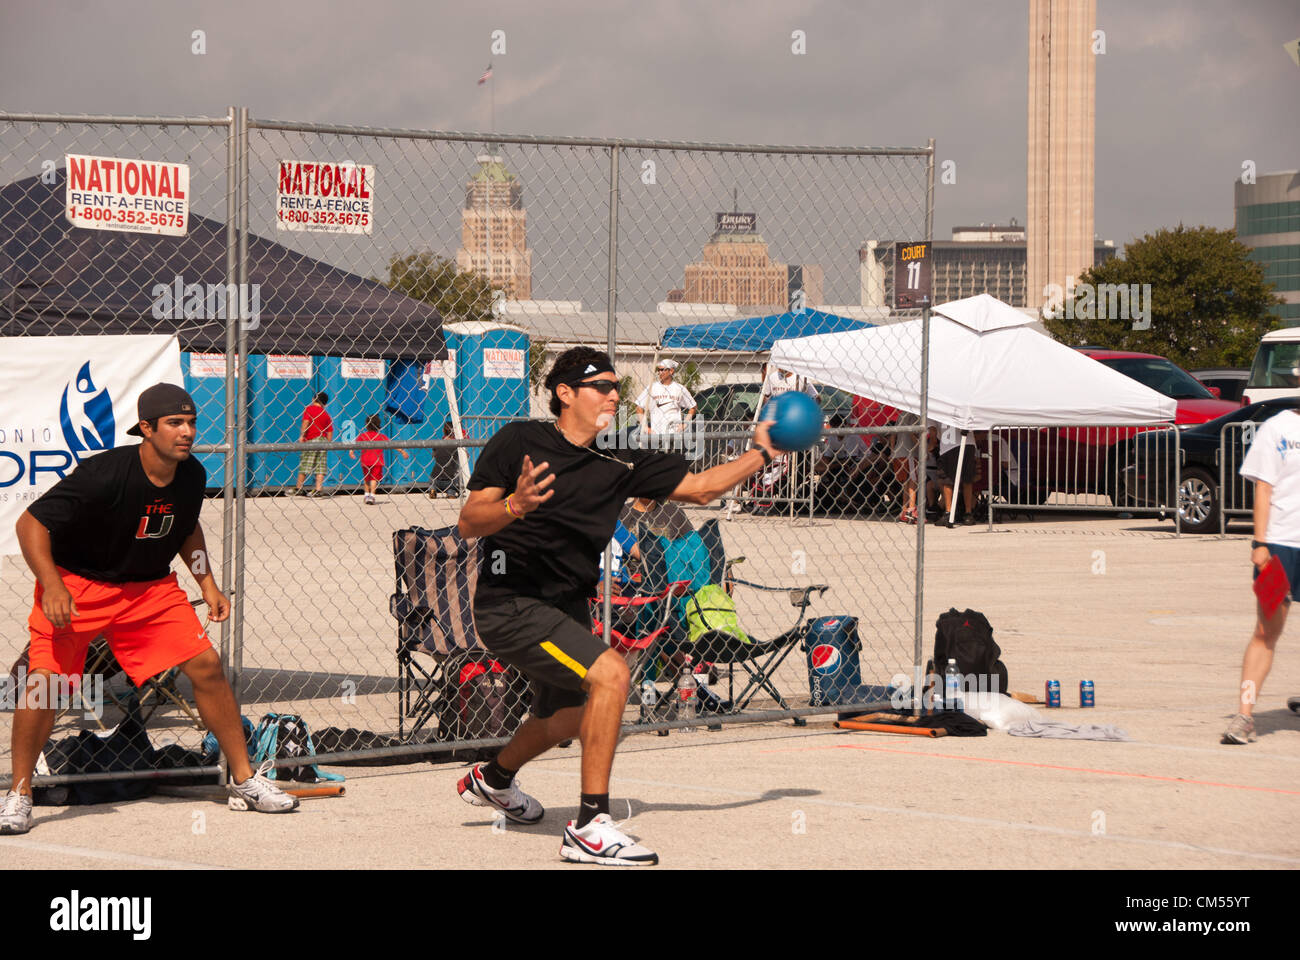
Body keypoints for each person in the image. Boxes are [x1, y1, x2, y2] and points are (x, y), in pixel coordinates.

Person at [455, 346, 781, 865]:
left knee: (568, 720)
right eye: (601, 385)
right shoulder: (521, 440)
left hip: (566, 607)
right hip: (510, 601)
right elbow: (469, 521)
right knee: (612, 676)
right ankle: (588, 825)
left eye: (615, 386)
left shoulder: (621, 455)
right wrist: (516, 504)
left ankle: (493, 778)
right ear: (565, 394)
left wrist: (762, 452)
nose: (613, 394)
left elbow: (699, 490)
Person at [1, 384, 298, 836]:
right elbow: (31, 523)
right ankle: (19, 792)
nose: (187, 432)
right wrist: (52, 585)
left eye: (192, 422)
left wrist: (207, 582)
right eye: (175, 424)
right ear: (146, 428)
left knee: (206, 666)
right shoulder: (105, 473)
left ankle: (244, 780)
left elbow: (186, 528)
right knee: (45, 684)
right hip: (79, 587)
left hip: (148, 591)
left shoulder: (191, 475)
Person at [1224, 407, 1300, 744]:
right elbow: (1263, 489)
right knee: (1266, 631)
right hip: (1280, 546)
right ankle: (1244, 717)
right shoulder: (1278, 428)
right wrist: (1260, 543)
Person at [635, 359, 696, 449]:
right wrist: (646, 428)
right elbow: (639, 407)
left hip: (673, 435)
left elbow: (693, 407)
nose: (660, 372)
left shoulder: (679, 388)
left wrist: (685, 424)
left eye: (662, 370)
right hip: (655, 435)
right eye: (658, 370)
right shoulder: (652, 387)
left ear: (671, 371)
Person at [350, 414, 408, 505]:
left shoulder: (363, 436)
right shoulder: (380, 436)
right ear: (378, 425)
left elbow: (354, 444)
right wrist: (402, 451)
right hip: (377, 461)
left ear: (366, 425)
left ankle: (366, 495)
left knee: (366, 479)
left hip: (365, 461)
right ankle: (372, 496)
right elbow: (392, 444)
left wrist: (351, 452)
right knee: (374, 479)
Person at [294, 392, 333, 497]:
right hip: (323, 440)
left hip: (312, 439)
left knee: (305, 463)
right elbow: (330, 431)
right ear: (325, 403)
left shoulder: (309, 409)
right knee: (320, 465)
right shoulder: (326, 414)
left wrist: (302, 435)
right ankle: (318, 489)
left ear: (314, 399)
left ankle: (299, 488)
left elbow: (306, 422)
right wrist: (328, 443)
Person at [938, 423, 977, 526]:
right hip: (967, 442)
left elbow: (933, 431)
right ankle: (968, 513)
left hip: (948, 445)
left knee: (947, 480)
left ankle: (949, 512)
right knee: (967, 479)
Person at [890, 412, 921, 524]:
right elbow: (912, 433)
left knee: (906, 483)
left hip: (899, 453)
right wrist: (922, 447)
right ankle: (911, 510)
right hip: (910, 452)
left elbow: (893, 435)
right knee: (913, 481)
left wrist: (893, 451)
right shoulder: (914, 415)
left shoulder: (901, 415)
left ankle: (904, 510)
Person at [429, 421, 460, 499]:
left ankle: (433, 489)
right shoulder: (457, 446)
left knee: (434, 474)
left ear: (443, 431)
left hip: (435, 478)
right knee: (457, 468)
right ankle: (451, 492)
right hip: (450, 480)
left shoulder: (437, 444)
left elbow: (433, 456)